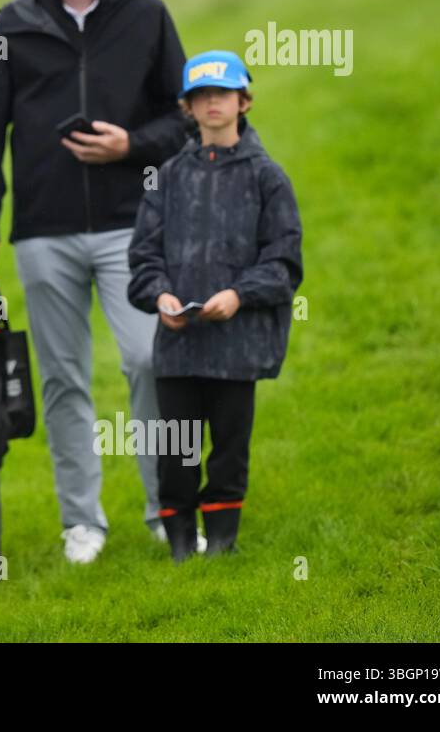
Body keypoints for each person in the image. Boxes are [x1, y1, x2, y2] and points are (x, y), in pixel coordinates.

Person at [0, 0, 189, 565]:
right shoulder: (10, 28)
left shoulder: (146, 17)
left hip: (134, 227)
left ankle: (167, 508)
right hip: (43, 231)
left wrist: (131, 146)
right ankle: (82, 522)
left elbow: (186, 117)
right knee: (63, 377)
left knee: (151, 358)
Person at [127, 51, 303, 559]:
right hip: (177, 345)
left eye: (221, 94)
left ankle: (222, 540)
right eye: (201, 96)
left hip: (238, 344)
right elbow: (142, 256)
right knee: (177, 449)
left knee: (229, 447)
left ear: (243, 101)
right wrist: (159, 295)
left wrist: (238, 295)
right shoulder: (166, 176)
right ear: (187, 106)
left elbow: (284, 261)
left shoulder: (268, 177)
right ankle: (181, 539)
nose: (212, 104)